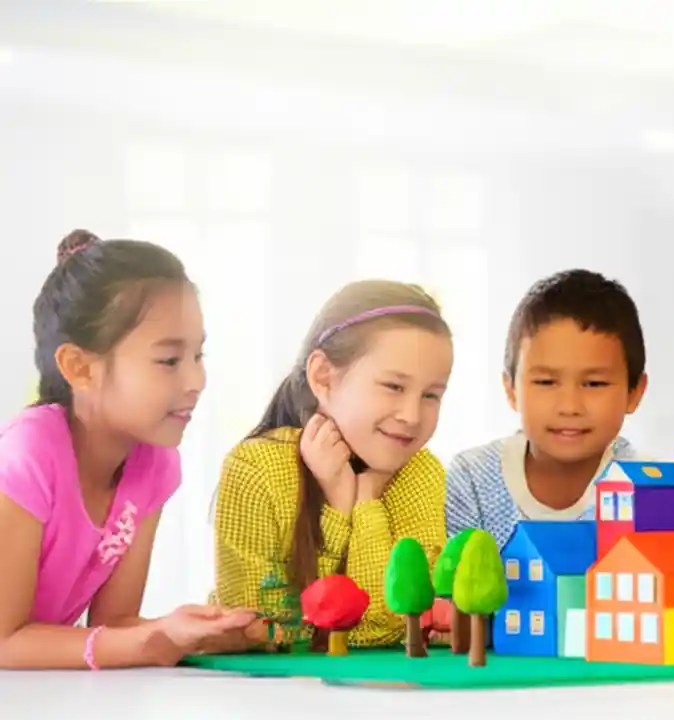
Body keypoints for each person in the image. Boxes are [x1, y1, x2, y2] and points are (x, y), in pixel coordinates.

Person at [0, 230, 255, 670]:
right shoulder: (29, 456)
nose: (196, 381)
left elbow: (113, 623)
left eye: (199, 355)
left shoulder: (154, 462)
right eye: (169, 360)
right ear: (80, 367)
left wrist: (192, 634)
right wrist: (152, 640)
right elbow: (4, 641)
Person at [212, 280, 452, 649]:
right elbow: (257, 631)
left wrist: (365, 501)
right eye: (393, 386)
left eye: (431, 395)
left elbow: (391, 620)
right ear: (323, 377)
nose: (411, 415)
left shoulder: (421, 473)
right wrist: (338, 509)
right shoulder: (256, 468)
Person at [445, 269, 647, 547]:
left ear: (634, 392)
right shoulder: (472, 481)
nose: (569, 406)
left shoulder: (643, 485)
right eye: (546, 381)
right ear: (511, 389)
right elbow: (448, 582)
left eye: (594, 384)